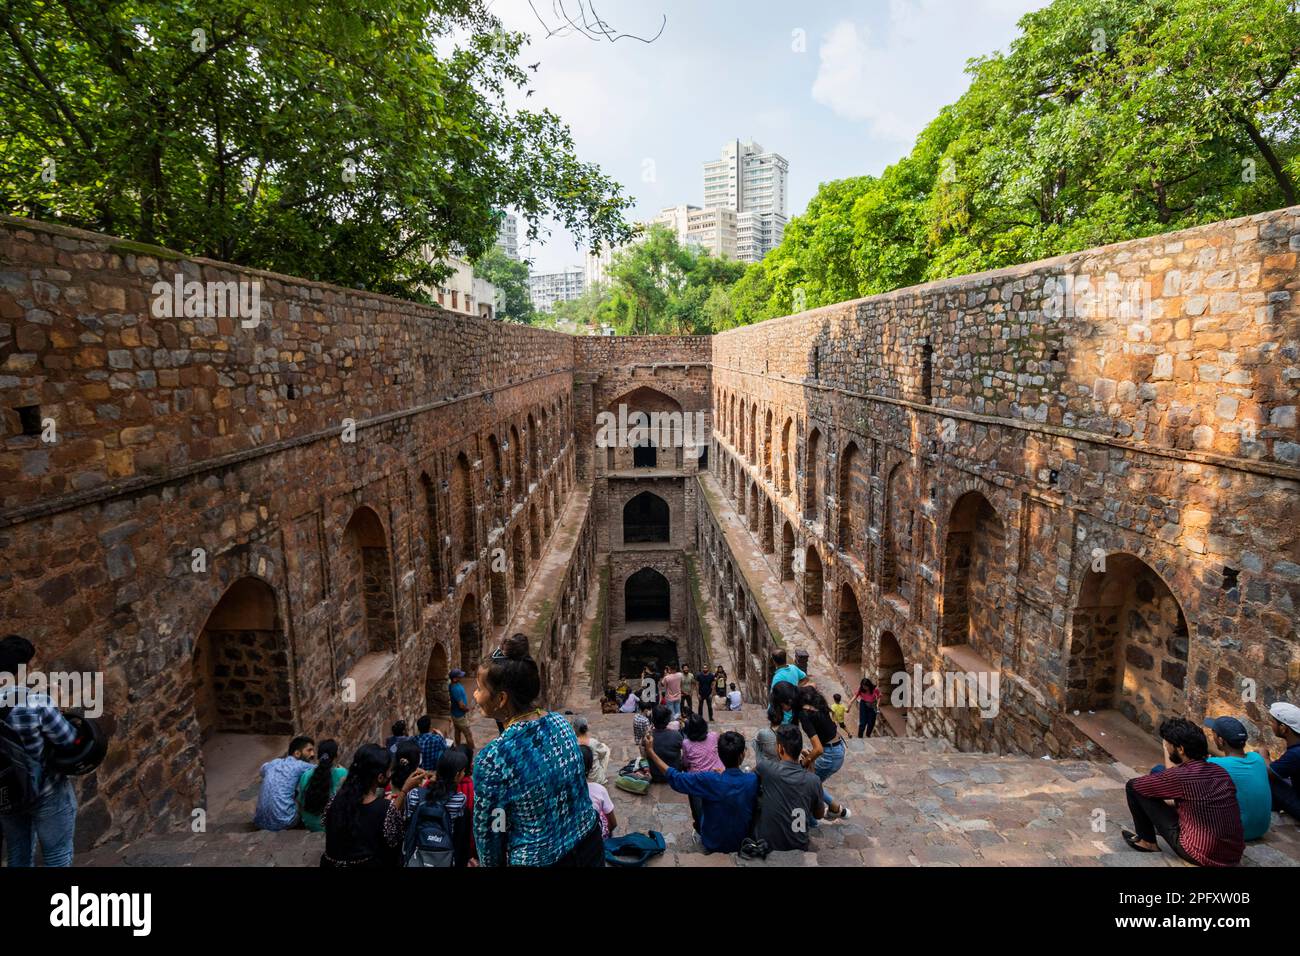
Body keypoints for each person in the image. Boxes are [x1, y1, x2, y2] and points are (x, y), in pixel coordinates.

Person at [471, 634, 603, 866]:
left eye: (480, 688)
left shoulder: (493, 759)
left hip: (539, 858)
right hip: (588, 845)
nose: (475, 694)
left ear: (501, 699)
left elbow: (491, 832)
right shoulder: (561, 724)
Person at [0, 635, 80, 867]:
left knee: (17, 851)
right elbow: (68, 740)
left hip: (5, 794)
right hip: (45, 790)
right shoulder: (33, 702)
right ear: (19, 670)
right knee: (57, 854)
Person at [1122, 717, 1244, 867]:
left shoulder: (1181, 775)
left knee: (1133, 787)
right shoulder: (1220, 771)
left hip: (1201, 854)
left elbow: (1139, 786)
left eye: (1168, 744)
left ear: (1180, 749)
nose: (1166, 748)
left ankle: (1147, 843)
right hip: (1233, 856)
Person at [643, 729, 757, 854]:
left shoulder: (709, 779)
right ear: (742, 756)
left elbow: (676, 778)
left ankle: (698, 828)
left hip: (713, 842)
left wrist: (650, 751)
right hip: (740, 841)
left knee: (695, 789)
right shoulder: (752, 780)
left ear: (719, 754)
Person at [321, 744, 423, 868]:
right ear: (380, 777)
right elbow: (394, 839)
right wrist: (404, 791)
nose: (390, 774)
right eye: (388, 771)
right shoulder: (385, 809)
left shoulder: (334, 801)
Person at [753, 724, 825, 852]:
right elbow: (819, 815)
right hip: (799, 844)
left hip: (768, 843)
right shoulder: (813, 780)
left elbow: (747, 779)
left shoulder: (766, 768)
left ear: (780, 749)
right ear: (799, 749)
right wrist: (812, 770)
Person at [399, 748, 475, 866]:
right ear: (457, 775)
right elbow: (460, 839)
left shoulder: (414, 794)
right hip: (444, 858)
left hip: (415, 857)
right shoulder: (459, 800)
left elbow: (407, 825)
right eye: (463, 771)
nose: (464, 774)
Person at [1203, 716, 1271, 840]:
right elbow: (1260, 751)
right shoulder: (1257, 759)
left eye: (1213, 735)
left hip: (1236, 833)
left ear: (1220, 740)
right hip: (1261, 829)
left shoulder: (1214, 764)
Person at [796, 685, 850, 819]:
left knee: (806, 783)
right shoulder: (819, 704)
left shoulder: (804, 714)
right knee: (813, 783)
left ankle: (832, 809)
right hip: (838, 748)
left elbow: (818, 749)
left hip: (829, 755)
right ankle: (834, 810)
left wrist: (804, 762)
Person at [254, 735, 316, 831]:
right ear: (297, 753)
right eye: (309, 750)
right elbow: (323, 770)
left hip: (260, 822)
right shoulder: (300, 765)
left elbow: (262, 770)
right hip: (285, 822)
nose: (313, 754)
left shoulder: (274, 763)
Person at [296, 739, 347, 833]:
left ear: (318, 757)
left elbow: (299, 802)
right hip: (332, 826)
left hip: (310, 824)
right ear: (336, 756)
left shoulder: (306, 775)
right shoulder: (342, 773)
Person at [1266, 701, 1300, 822]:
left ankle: (1270, 817)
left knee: (1270, 781)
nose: (1271, 725)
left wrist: (1263, 755)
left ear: (1283, 728)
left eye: (1273, 722)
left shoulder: (1295, 753)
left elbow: (1269, 772)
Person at [581, 745, 618, 838]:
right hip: (597, 841)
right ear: (590, 768)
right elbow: (613, 823)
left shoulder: (561, 794)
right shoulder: (599, 790)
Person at [646, 704, 684, 783]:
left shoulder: (648, 737)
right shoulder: (676, 735)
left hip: (655, 775)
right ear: (668, 720)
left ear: (653, 720)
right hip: (673, 775)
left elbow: (644, 752)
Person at [571, 715, 610, 784]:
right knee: (605, 748)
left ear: (575, 730)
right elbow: (603, 753)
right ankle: (599, 771)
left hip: (580, 780)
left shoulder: (573, 743)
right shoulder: (593, 742)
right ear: (586, 728)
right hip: (596, 779)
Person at [449, 669, 475, 750]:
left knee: (457, 731)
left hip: (455, 714)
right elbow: (461, 705)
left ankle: (458, 748)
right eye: (459, 676)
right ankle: (472, 751)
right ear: (454, 679)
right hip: (460, 716)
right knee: (468, 734)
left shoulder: (452, 685)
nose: (461, 676)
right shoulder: (456, 689)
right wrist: (467, 709)